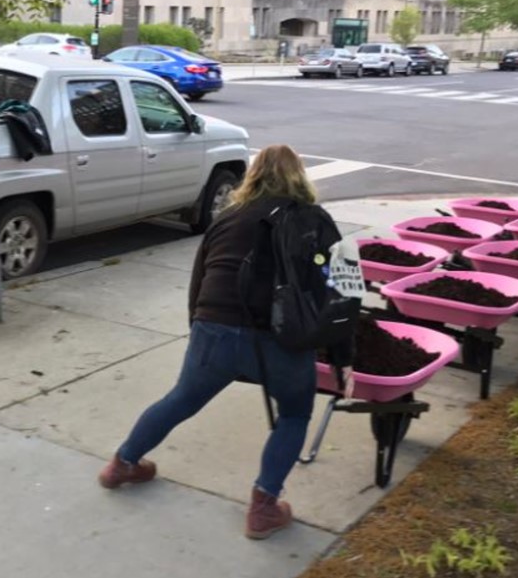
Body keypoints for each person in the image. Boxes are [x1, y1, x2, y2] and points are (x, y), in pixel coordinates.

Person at [98, 144, 353, 540]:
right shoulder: (316, 221)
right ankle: (263, 507)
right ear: (299, 177)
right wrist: (341, 356)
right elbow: (341, 292)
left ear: (254, 176)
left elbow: (199, 278)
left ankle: (122, 463)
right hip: (280, 339)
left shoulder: (228, 217)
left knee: (180, 398)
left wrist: (198, 330)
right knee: (294, 415)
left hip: (213, 327)